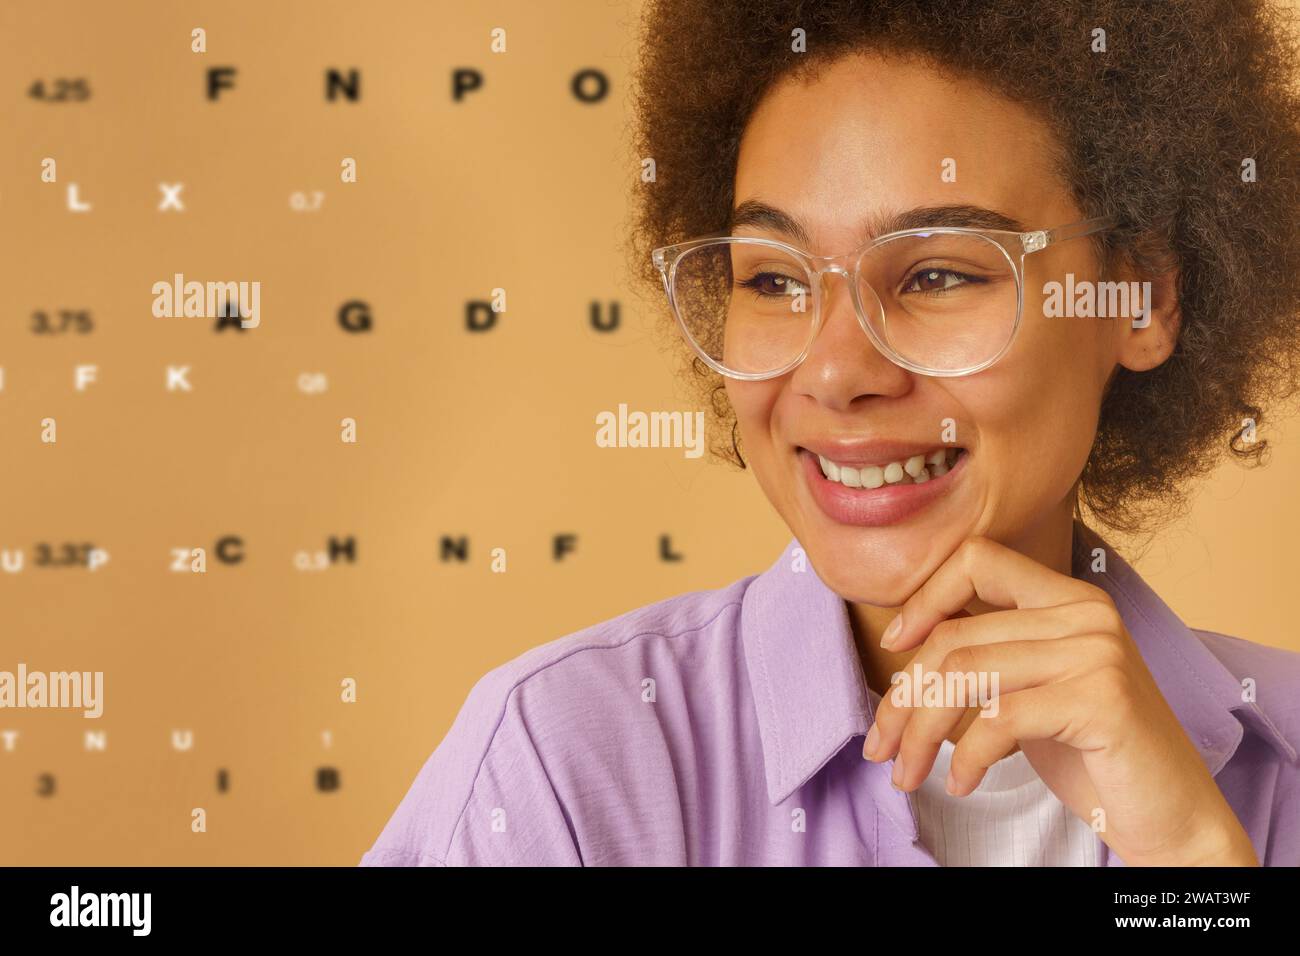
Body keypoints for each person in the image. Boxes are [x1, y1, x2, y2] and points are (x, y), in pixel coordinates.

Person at [361, 0, 1300, 866]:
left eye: (936, 274)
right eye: (774, 279)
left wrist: (1194, 861)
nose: (837, 371)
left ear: (1144, 298)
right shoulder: (564, 768)